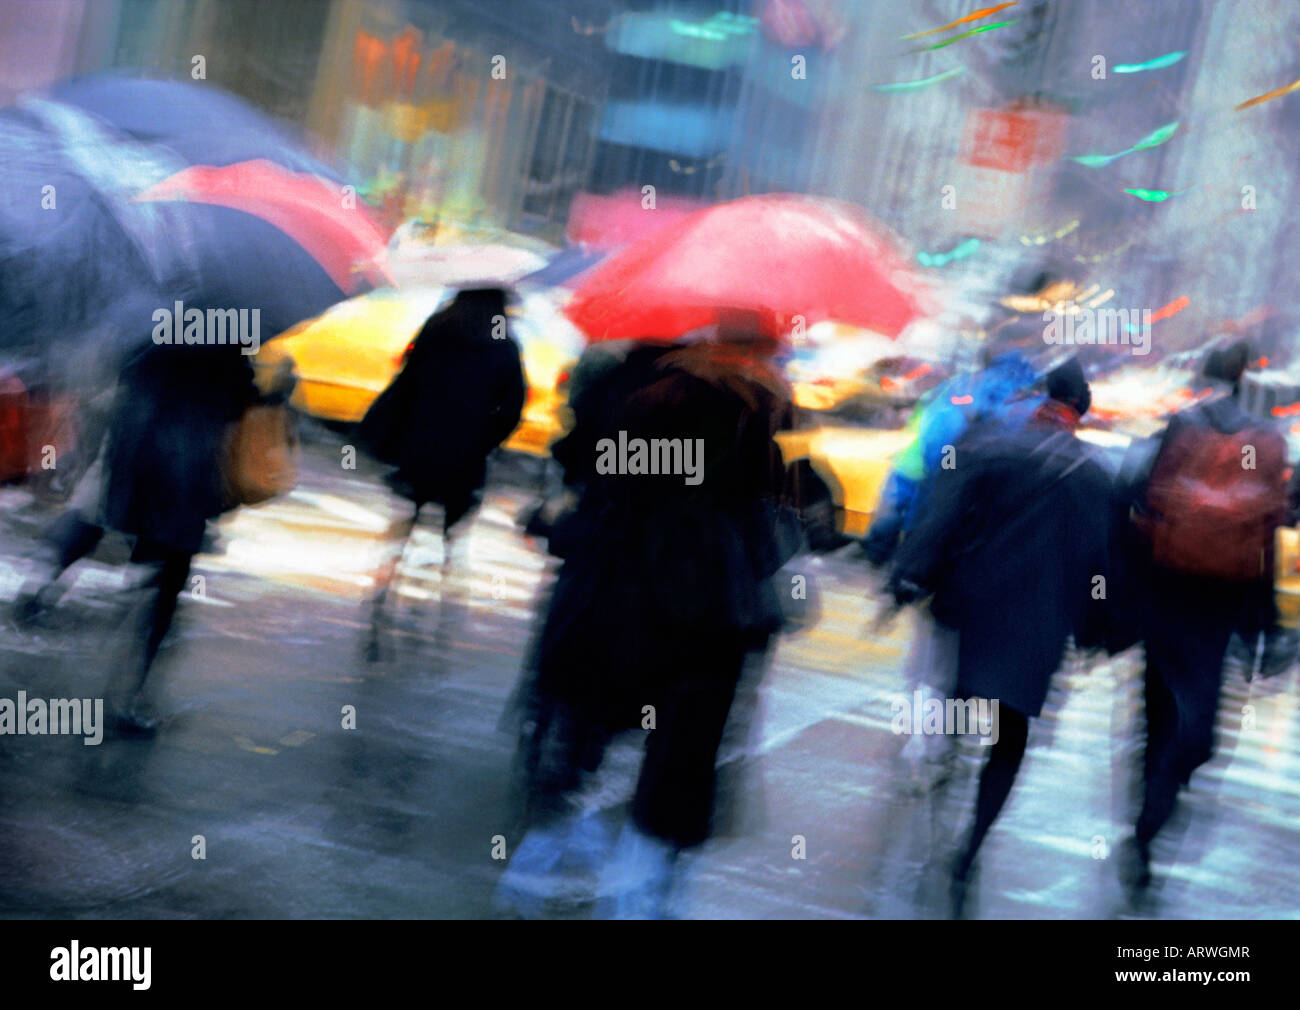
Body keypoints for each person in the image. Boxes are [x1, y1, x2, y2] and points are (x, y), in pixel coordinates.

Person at [497, 309, 796, 918]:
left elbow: (612, 496)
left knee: (583, 735)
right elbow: (775, 523)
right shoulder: (763, 418)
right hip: (715, 619)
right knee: (680, 763)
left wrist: (555, 522)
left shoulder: (651, 398)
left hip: (621, 602)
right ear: (764, 350)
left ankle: (534, 869)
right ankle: (644, 894)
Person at [888, 364, 1112, 916]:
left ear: (1040, 399)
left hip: (977, 608)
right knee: (1010, 739)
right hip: (1040, 626)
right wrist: (1095, 630)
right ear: (1080, 410)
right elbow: (1101, 567)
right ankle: (972, 846)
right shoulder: (1093, 474)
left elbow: (943, 516)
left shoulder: (992, 447)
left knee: (962, 718)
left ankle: (945, 819)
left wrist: (910, 575)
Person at [1124, 341, 1288, 891]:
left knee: (1156, 713)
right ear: (1246, 375)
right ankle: (1160, 803)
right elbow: (1264, 535)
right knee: (1197, 726)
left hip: (1165, 594)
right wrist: (1264, 624)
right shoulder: (1265, 442)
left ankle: (1145, 814)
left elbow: (1144, 502)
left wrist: (1123, 596)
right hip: (1219, 606)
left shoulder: (1182, 425)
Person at [100, 338, 259, 732]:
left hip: (146, 471)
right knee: (168, 588)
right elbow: (241, 403)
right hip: (189, 478)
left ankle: (118, 671)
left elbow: (128, 380)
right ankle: (136, 689)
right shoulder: (227, 348)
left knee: (146, 571)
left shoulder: (158, 331)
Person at [358, 287, 526, 658]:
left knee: (404, 523)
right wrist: (486, 440)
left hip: (418, 448)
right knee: (452, 538)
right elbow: (512, 406)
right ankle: (438, 618)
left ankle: (380, 600)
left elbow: (407, 377)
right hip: (464, 457)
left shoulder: (438, 326)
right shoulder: (502, 340)